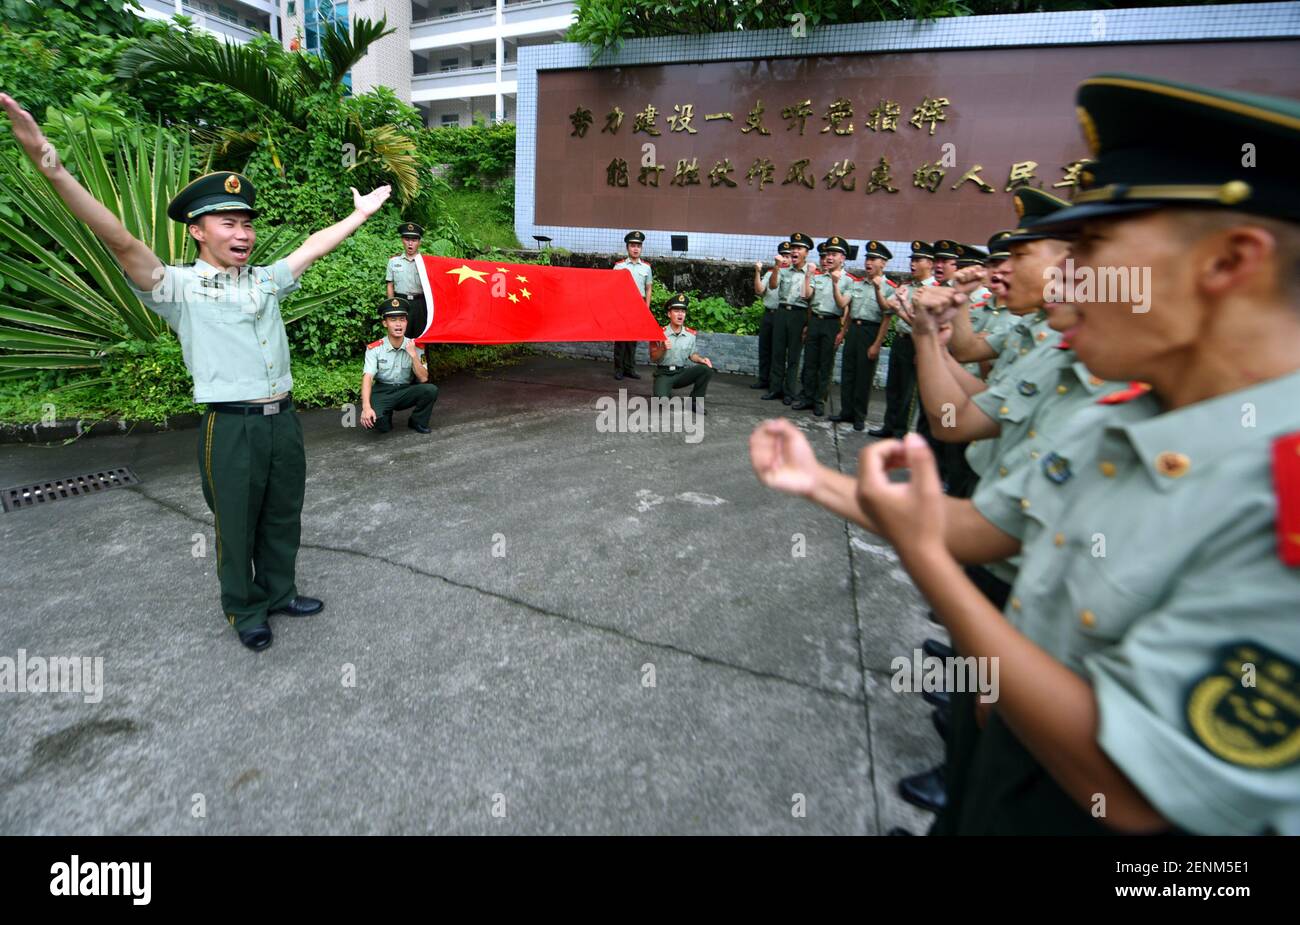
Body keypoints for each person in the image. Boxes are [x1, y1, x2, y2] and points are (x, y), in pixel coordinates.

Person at [752, 73, 1300, 835]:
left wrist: (935, 572)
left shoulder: (1281, 495)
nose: (1067, 280)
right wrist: (816, 481)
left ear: (1228, 262)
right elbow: (987, 526)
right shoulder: (1123, 412)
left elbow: (1135, 786)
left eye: (1096, 246)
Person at [0, 92, 393, 653]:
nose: (242, 233)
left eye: (247, 224)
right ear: (197, 231)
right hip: (229, 427)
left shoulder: (265, 279)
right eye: (227, 223)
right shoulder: (176, 287)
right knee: (236, 522)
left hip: (283, 419)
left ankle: (280, 591)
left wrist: (358, 215)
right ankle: (245, 607)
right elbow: (118, 237)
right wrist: (54, 168)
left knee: (283, 514)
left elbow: (312, 247)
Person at [869, 241, 935, 438]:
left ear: (930, 263)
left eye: (918, 260)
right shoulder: (907, 286)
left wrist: (900, 307)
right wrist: (881, 293)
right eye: (912, 260)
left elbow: (924, 325)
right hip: (900, 340)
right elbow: (888, 309)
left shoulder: (934, 290)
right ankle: (889, 425)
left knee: (909, 390)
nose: (912, 264)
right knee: (894, 386)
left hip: (917, 343)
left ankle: (901, 431)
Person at [830, 241, 893, 431]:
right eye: (867, 258)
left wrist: (877, 344)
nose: (868, 262)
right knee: (848, 373)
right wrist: (835, 284)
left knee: (864, 377)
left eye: (873, 259)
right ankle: (846, 412)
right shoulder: (856, 283)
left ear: (883, 263)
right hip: (854, 331)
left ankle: (859, 416)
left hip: (871, 331)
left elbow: (886, 317)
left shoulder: (890, 286)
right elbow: (844, 306)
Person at [791, 236, 851, 416]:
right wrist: (808, 275)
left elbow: (843, 306)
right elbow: (805, 295)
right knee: (809, 362)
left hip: (832, 324)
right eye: (828, 254)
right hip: (815, 322)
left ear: (843, 258)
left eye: (834, 254)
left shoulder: (849, 280)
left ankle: (819, 400)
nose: (829, 258)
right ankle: (807, 397)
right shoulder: (819, 276)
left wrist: (842, 331)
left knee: (825, 365)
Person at [360, 298, 439, 435]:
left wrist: (414, 355)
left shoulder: (418, 347)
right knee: (378, 426)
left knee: (430, 390)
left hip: (404, 391)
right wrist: (366, 407)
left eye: (402, 319)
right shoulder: (374, 349)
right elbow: (367, 378)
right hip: (383, 391)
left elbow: (424, 378)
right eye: (393, 320)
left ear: (407, 322)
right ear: (385, 323)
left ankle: (417, 421)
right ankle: (385, 415)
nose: (398, 324)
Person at [764, 232, 817, 404]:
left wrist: (807, 325)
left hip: (799, 314)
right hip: (781, 313)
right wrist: (777, 267)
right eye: (793, 247)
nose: (795, 251)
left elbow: (810, 300)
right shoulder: (784, 271)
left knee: (793, 356)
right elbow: (772, 285)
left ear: (806, 253)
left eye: (799, 248)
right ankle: (775, 389)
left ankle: (789, 392)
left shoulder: (811, 273)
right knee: (777, 353)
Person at [649, 293, 713, 413]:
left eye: (683, 312)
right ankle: (663, 391)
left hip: (680, 373)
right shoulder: (658, 333)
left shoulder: (690, 335)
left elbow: (692, 355)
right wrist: (662, 348)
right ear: (669, 314)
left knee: (706, 369)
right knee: (661, 403)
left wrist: (701, 359)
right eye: (677, 311)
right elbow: (653, 357)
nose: (680, 314)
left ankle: (694, 403)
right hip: (664, 374)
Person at [751, 241, 792, 390]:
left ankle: (776, 383)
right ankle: (763, 379)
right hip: (768, 314)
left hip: (782, 315)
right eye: (783, 256)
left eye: (788, 256)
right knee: (765, 348)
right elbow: (759, 290)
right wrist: (757, 272)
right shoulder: (770, 273)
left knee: (778, 351)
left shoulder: (792, 274)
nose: (785, 259)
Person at [613, 231, 652, 380]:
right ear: (627, 248)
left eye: (638, 246)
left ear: (641, 248)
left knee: (632, 340)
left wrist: (646, 308)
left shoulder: (646, 267)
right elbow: (613, 288)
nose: (635, 248)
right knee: (620, 340)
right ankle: (618, 370)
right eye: (632, 245)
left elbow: (648, 288)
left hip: (638, 305)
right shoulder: (619, 266)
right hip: (622, 305)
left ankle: (630, 369)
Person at [386, 222, 427, 339]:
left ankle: (420, 357)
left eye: (414, 240)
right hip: (401, 302)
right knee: (400, 335)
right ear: (402, 240)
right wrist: (392, 306)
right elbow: (390, 285)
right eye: (407, 239)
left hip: (420, 303)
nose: (410, 243)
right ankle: (401, 358)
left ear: (419, 242)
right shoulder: (394, 261)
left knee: (421, 335)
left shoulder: (425, 262)